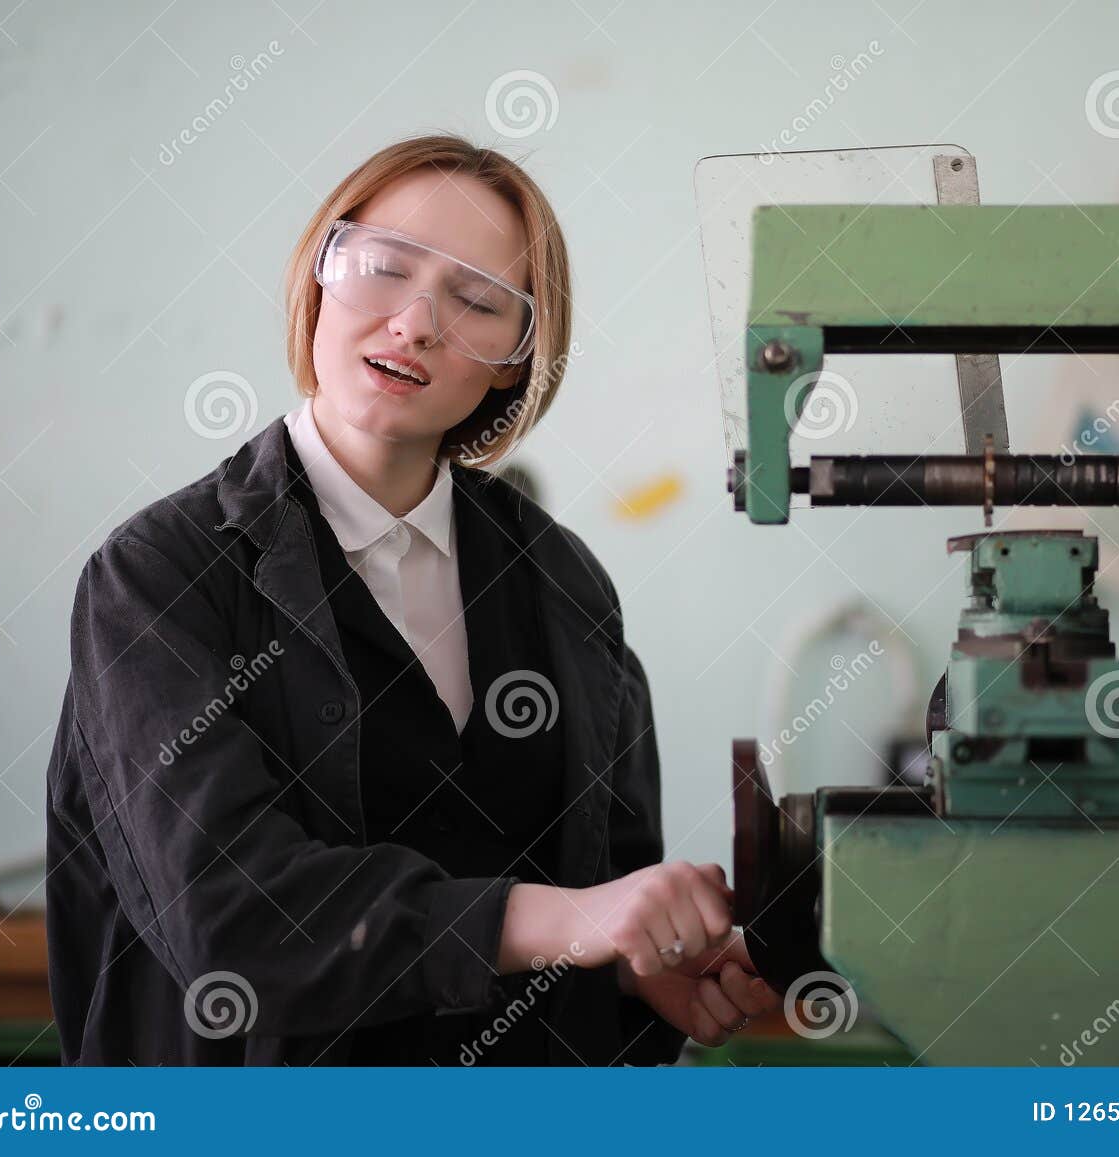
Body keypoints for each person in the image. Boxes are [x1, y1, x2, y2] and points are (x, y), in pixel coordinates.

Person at [44, 134, 781, 1065]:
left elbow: (602, 888)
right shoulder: (160, 575)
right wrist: (562, 919)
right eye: (384, 270)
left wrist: (632, 965)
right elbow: (226, 917)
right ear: (318, 278)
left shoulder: (565, 584)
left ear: (515, 359)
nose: (417, 322)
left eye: (476, 301)